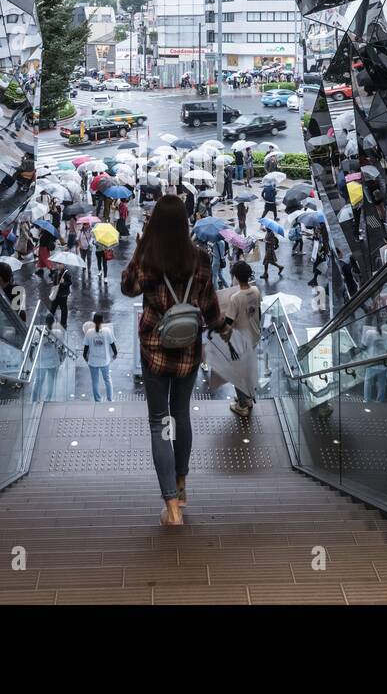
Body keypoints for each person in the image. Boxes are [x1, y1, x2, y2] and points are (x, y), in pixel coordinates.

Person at [121, 195, 229, 526]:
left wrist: (140, 248)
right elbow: (209, 305)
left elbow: (127, 288)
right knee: (181, 415)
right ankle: (181, 485)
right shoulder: (198, 257)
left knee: (159, 422)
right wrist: (221, 326)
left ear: (155, 224)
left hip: (154, 347)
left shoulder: (148, 258)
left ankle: (170, 505)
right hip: (188, 349)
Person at [209, 261, 262, 416]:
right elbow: (257, 312)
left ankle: (243, 405)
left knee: (238, 372)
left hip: (239, 341)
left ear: (236, 278)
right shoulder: (256, 291)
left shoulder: (236, 298)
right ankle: (249, 398)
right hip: (253, 336)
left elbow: (228, 323)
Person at [81, 312, 117, 402]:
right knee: (107, 379)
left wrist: (85, 356)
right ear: (102, 321)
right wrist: (115, 353)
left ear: (93, 321)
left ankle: (98, 400)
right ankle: (110, 399)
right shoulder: (107, 331)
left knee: (95, 381)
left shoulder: (89, 332)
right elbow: (112, 344)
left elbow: (86, 347)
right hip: (105, 361)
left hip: (93, 362)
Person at [32, 314, 63, 402]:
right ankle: (47, 400)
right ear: (53, 322)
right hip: (50, 362)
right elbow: (61, 347)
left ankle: (35, 400)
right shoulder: (57, 333)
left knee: (39, 382)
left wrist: (31, 357)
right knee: (49, 383)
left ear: (45, 322)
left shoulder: (37, 332)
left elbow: (33, 347)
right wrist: (61, 359)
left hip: (42, 362)